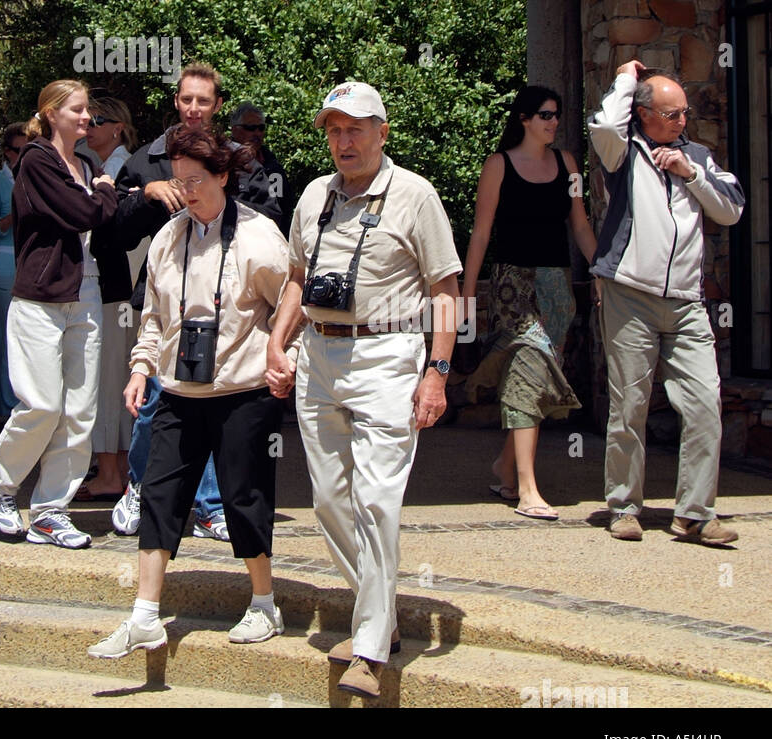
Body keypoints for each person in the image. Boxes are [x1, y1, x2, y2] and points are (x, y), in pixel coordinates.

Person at [266, 82, 462, 698]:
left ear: (382, 132)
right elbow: (298, 278)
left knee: (378, 499)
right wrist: (279, 340)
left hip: (388, 353)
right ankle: (377, 613)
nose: (342, 141)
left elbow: (446, 292)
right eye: (333, 129)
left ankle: (371, 647)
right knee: (328, 500)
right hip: (320, 352)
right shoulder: (313, 196)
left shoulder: (415, 195)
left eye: (355, 129)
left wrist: (437, 372)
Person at [88, 127, 292, 659]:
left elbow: (288, 306)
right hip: (178, 390)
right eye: (178, 180)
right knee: (158, 496)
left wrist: (282, 359)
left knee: (244, 495)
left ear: (224, 177)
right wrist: (139, 369)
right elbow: (154, 316)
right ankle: (144, 616)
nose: (187, 190)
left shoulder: (260, 237)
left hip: (243, 391)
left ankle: (265, 602)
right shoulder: (167, 237)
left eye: (197, 180)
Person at [111, 62, 282, 542]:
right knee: (153, 406)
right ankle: (141, 487)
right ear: (176, 101)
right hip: (164, 303)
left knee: (212, 406)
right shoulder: (148, 158)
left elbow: (267, 220)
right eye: (186, 99)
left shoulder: (237, 160)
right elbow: (116, 232)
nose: (192, 109)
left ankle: (210, 506)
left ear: (217, 107)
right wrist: (146, 194)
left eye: (202, 101)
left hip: (227, 310)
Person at [589, 61, 744, 546]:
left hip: (686, 303)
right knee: (629, 405)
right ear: (645, 114)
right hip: (630, 295)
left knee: (703, 403)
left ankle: (695, 513)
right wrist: (625, 79)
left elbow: (732, 209)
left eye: (685, 113)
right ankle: (623, 506)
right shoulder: (623, 151)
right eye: (671, 114)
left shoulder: (699, 155)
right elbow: (604, 124)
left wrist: (690, 173)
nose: (682, 121)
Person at [0, 80, 119, 548]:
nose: (87, 119)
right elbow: (85, 213)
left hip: (86, 295)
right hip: (40, 298)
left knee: (80, 411)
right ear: (52, 112)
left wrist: (101, 192)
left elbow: (96, 211)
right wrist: (105, 194)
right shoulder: (36, 160)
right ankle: (1, 485)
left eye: (90, 112)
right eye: (79, 110)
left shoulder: (88, 163)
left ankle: (50, 510)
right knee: (41, 403)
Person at [461, 86, 598, 520]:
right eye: (544, 115)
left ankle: (505, 466)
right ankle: (527, 489)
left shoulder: (569, 165)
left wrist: (605, 272)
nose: (553, 122)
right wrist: (467, 293)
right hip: (510, 286)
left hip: (556, 288)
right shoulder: (497, 165)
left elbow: (580, 225)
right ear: (523, 119)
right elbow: (481, 232)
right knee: (527, 367)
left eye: (556, 115)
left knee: (534, 380)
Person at [74, 96, 140, 499]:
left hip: (117, 290)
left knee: (112, 380)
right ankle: (113, 470)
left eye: (97, 119)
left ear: (117, 126)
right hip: (107, 288)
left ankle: (113, 474)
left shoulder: (124, 169)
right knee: (110, 380)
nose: (89, 124)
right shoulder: (97, 167)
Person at [0, 123, 29, 421]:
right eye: (19, 151)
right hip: (3, 269)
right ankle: (3, 410)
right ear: (7, 153)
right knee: (2, 341)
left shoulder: (38, 178)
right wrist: (15, 214)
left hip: (32, 267)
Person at [230, 101, 295, 237]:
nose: (257, 133)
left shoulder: (273, 165)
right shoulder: (222, 162)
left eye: (261, 128)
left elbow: (284, 207)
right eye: (250, 128)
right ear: (234, 129)